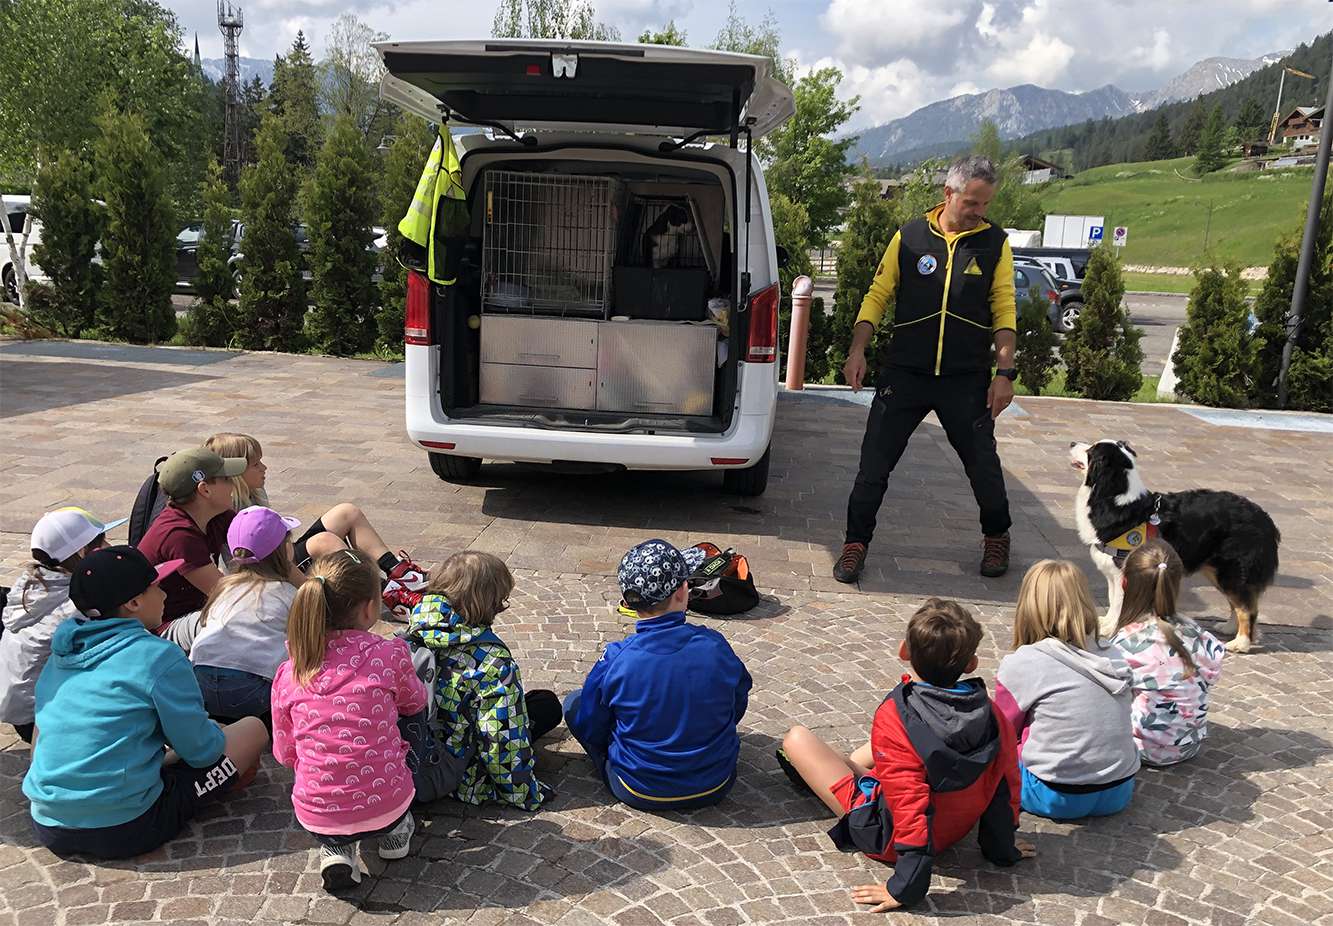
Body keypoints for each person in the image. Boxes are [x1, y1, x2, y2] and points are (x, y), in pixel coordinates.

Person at [779, 598, 1033, 912]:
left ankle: (837, 773)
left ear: (903, 651)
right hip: (953, 827)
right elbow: (1006, 784)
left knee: (796, 739)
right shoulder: (992, 714)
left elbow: (909, 802)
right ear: (971, 664)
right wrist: (1002, 847)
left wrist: (905, 887)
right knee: (887, 743)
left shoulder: (894, 715)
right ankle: (848, 767)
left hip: (887, 837)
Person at [835, 155, 1018, 584]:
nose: (979, 212)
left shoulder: (995, 243)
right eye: (972, 202)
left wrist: (1004, 373)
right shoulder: (911, 237)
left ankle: (997, 535)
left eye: (985, 204)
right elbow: (877, 295)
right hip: (906, 373)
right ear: (948, 193)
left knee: (982, 463)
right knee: (873, 464)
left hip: (965, 378)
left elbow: (1004, 309)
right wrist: (857, 350)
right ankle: (854, 544)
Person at [22, 546, 269, 859]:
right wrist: (210, 730)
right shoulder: (158, 656)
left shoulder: (61, 655)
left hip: (48, 824)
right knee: (253, 730)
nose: (164, 594)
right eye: (156, 585)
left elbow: (41, 737)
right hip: (127, 827)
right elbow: (203, 751)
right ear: (134, 603)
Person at [270, 549, 430, 892]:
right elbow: (415, 702)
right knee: (413, 713)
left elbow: (284, 753)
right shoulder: (389, 655)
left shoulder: (289, 672)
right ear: (369, 608)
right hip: (388, 802)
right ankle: (394, 835)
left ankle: (337, 850)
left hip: (317, 810)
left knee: (327, 795)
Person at [564, 539, 752, 812]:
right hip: (716, 782)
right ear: (682, 591)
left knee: (574, 703)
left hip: (637, 787)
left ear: (628, 601)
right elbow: (737, 702)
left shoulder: (617, 658)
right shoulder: (715, 645)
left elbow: (592, 724)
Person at [204, 432, 429, 619]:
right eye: (256, 464)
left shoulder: (254, 491)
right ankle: (391, 597)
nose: (264, 468)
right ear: (235, 474)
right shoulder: (227, 511)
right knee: (325, 542)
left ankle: (404, 575)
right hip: (272, 570)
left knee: (347, 512)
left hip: (282, 553)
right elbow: (252, 565)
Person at [405, 551, 562, 811]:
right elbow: (501, 738)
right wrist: (522, 793)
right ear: (490, 601)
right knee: (546, 706)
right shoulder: (492, 662)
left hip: (413, 755)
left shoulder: (411, 633)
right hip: (458, 774)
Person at [995, 560, 1140, 820]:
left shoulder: (1024, 662)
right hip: (1118, 790)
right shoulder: (1114, 654)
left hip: (1053, 795)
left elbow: (1002, 731)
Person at [0, 508, 120, 743]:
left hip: (19, 707)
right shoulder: (76, 603)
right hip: (40, 716)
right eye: (103, 543)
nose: (108, 547)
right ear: (87, 552)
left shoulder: (36, 585)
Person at [1110, 540, 1225, 766]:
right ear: (1176, 584)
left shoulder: (1125, 641)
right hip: (1189, 745)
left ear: (1125, 583)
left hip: (1137, 748)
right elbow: (1213, 672)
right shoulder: (1197, 633)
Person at [190, 505, 304, 725]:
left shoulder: (223, 587)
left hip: (199, 684)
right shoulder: (288, 593)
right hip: (251, 690)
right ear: (283, 550)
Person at [136, 447, 248, 652]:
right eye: (226, 479)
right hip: (162, 627)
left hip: (196, 609)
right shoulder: (178, 535)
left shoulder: (217, 515)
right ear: (205, 489)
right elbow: (224, 593)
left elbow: (265, 549)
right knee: (239, 620)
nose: (233, 485)